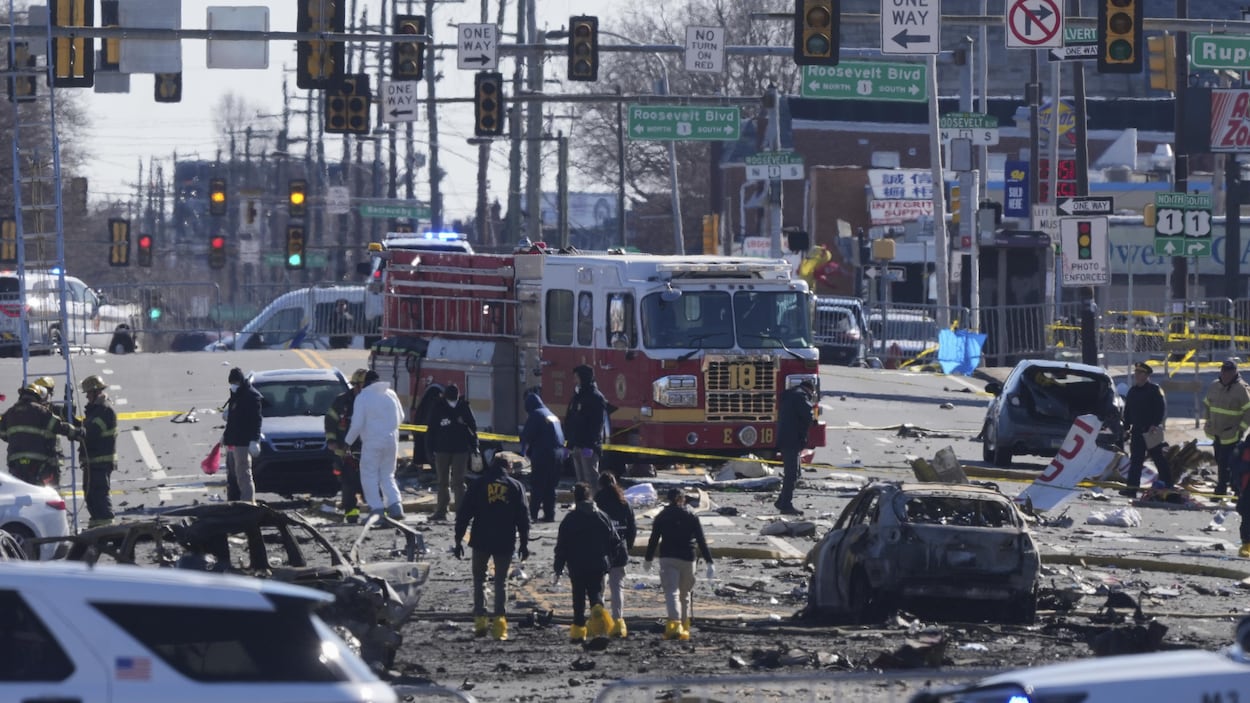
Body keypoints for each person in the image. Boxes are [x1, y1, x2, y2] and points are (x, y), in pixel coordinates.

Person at [453, 454, 531, 641]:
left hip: (481, 539)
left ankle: (480, 621)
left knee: (480, 579)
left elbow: (464, 514)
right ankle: (499, 625)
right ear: (509, 467)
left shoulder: (479, 484)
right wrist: (524, 544)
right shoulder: (515, 486)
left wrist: (458, 541)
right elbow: (524, 518)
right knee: (501, 582)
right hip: (505, 540)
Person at [553, 482, 620, 643]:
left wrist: (558, 567)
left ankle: (578, 630)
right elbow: (615, 541)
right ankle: (598, 621)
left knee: (578, 596)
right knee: (595, 593)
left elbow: (562, 545)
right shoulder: (602, 516)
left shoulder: (570, 519)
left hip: (577, 564)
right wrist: (609, 560)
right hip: (598, 562)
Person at [644, 487, 714, 641]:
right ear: (681, 499)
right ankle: (684, 624)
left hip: (668, 557)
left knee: (671, 592)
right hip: (688, 558)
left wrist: (648, 558)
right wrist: (709, 561)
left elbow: (653, 539)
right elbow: (701, 540)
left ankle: (674, 624)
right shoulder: (691, 515)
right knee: (685, 594)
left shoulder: (662, 516)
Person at [344, 370, 406, 519]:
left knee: (369, 475)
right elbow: (402, 417)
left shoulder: (363, 397)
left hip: (372, 442)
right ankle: (396, 507)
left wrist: (347, 442)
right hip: (391, 441)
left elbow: (357, 424)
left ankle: (377, 510)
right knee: (387, 475)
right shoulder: (391, 394)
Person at [0, 383, 80, 487]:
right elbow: (58, 426)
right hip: (36, 461)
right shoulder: (40, 410)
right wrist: (77, 432)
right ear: (37, 396)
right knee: (38, 491)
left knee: (19, 490)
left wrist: (17, 438)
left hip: (15, 462)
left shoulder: (9, 413)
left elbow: (3, 434)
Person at [425, 383, 478, 521]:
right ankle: (442, 511)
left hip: (460, 449)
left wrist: (474, 446)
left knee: (458, 482)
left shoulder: (464, 406)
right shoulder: (438, 407)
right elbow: (431, 430)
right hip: (442, 449)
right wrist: (429, 449)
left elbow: (473, 427)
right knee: (443, 481)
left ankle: (461, 512)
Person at [1120, 362, 1172, 497]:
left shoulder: (1154, 389)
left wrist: (1155, 424)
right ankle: (1131, 489)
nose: (1136, 375)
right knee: (1136, 461)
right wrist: (1126, 427)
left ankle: (1168, 484)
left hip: (1151, 430)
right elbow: (1128, 411)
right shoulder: (1133, 391)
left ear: (1146, 375)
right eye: (1136, 372)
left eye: (1140, 373)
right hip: (1137, 431)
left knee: (1158, 458)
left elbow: (1161, 409)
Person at [595, 472, 636, 638]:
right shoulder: (624, 502)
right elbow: (632, 527)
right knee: (617, 586)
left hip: (600, 549)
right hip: (619, 549)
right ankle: (618, 621)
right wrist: (628, 545)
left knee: (599, 586)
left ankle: (600, 621)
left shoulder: (598, 502)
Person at [1203, 359, 1250, 497]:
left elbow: (1248, 411)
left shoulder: (1241, 389)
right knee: (1219, 461)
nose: (1225, 374)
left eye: (1228, 372)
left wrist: (1241, 429)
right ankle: (1228, 487)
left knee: (1228, 463)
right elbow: (1207, 404)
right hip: (1216, 433)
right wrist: (1207, 420)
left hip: (1232, 434)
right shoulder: (1214, 385)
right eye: (1223, 371)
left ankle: (1226, 489)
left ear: (1234, 372)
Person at [326, 369, 366, 523]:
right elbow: (330, 420)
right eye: (362, 385)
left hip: (368, 447)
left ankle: (378, 511)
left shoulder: (373, 400)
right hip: (346, 448)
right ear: (355, 385)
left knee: (371, 481)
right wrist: (331, 440)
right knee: (348, 482)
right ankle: (351, 513)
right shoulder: (342, 401)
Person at [564, 365, 611, 495]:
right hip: (576, 445)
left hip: (588, 447)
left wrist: (590, 445)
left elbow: (597, 425)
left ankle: (596, 505)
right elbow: (570, 420)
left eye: (577, 377)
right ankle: (583, 505)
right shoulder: (577, 396)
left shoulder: (596, 397)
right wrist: (569, 444)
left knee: (591, 479)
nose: (575, 381)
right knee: (580, 482)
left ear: (584, 378)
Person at [519, 390, 565, 523]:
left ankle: (532, 514)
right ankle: (549, 514)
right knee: (550, 486)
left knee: (538, 485)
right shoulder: (551, 414)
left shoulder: (536, 414)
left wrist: (524, 453)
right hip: (559, 454)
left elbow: (526, 436)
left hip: (543, 454)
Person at [79, 376, 117, 527]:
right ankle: (96, 527)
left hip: (100, 462)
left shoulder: (104, 410)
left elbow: (91, 432)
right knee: (91, 496)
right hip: (92, 462)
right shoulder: (96, 410)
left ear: (96, 392)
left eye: (88, 393)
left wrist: (74, 432)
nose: (87, 397)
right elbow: (87, 427)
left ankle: (108, 529)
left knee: (99, 495)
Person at [775, 379, 816, 515]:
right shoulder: (800, 397)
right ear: (810, 389)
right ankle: (786, 505)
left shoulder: (789, 395)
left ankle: (782, 501)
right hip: (792, 440)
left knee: (795, 472)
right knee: (792, 474)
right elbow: (808, 416)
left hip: (786, 438)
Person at [222, 367, 263, 503]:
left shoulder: (251, 396)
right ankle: (243, 500)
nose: (233, 385)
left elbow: (256, 420)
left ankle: (248, 502)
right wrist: (226, 436)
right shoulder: (237, 394)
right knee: (238, 474)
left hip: (243, 441)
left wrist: (254, 440)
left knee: (244, 473)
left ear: (240, 381)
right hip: (234, 440)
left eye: (234, 382)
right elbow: (233, 419)